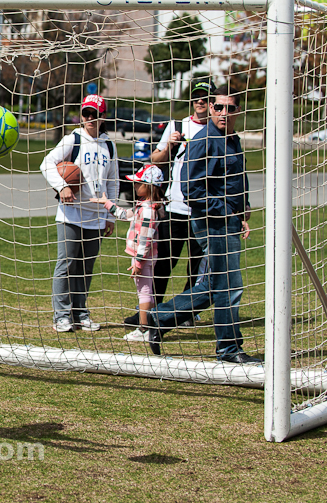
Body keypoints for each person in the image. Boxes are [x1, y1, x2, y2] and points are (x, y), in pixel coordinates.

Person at [146, 85, 260, 364]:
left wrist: (242, 209)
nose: (224, 113)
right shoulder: (203, 139)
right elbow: (190, 188)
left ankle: (159, 317)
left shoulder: (232, 139)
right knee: (230, 287)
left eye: (230, 108)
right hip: (212, 223)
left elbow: (236, 177)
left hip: (228, 221)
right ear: (210, 108)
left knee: (211, 287)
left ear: (238, 111)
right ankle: (229, 350)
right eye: (218, 107)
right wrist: (226, 212)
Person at [123, 80, 214, 328]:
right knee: (163, 262)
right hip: (174, 208)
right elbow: (156, 159)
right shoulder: (177, 125)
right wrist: (170, 146)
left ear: (212, 102)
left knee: (197, 265)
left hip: (202, 209)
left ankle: (186, 313)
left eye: (205, 98)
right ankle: (150, 311)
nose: (200, 102)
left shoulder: (216, 129)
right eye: (196, 97)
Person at [40, 94, 118, 333]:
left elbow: (113, 182)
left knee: (86, 267)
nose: (90, 118)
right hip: (71, 214)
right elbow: (46, 163)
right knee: (66, 264)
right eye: (86, 113)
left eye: (95, 114)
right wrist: (62, 186)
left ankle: (80, 313)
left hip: (96, 216)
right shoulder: (72, 139)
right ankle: (61, 315)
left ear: (103, 116)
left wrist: (111, 215)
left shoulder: (109, 145)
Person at [90, 164, 165, 340]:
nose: (135, 186)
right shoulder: (144, 206)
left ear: (149, 186)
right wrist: (108, 204)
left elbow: (145, 239)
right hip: (143, 257)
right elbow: (126, 215)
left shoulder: (148, 210)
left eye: (139, 183)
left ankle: (144, 329)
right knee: (146, 291)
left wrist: (138, 262)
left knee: (144, 292)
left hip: (144, 258)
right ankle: (149, 326)